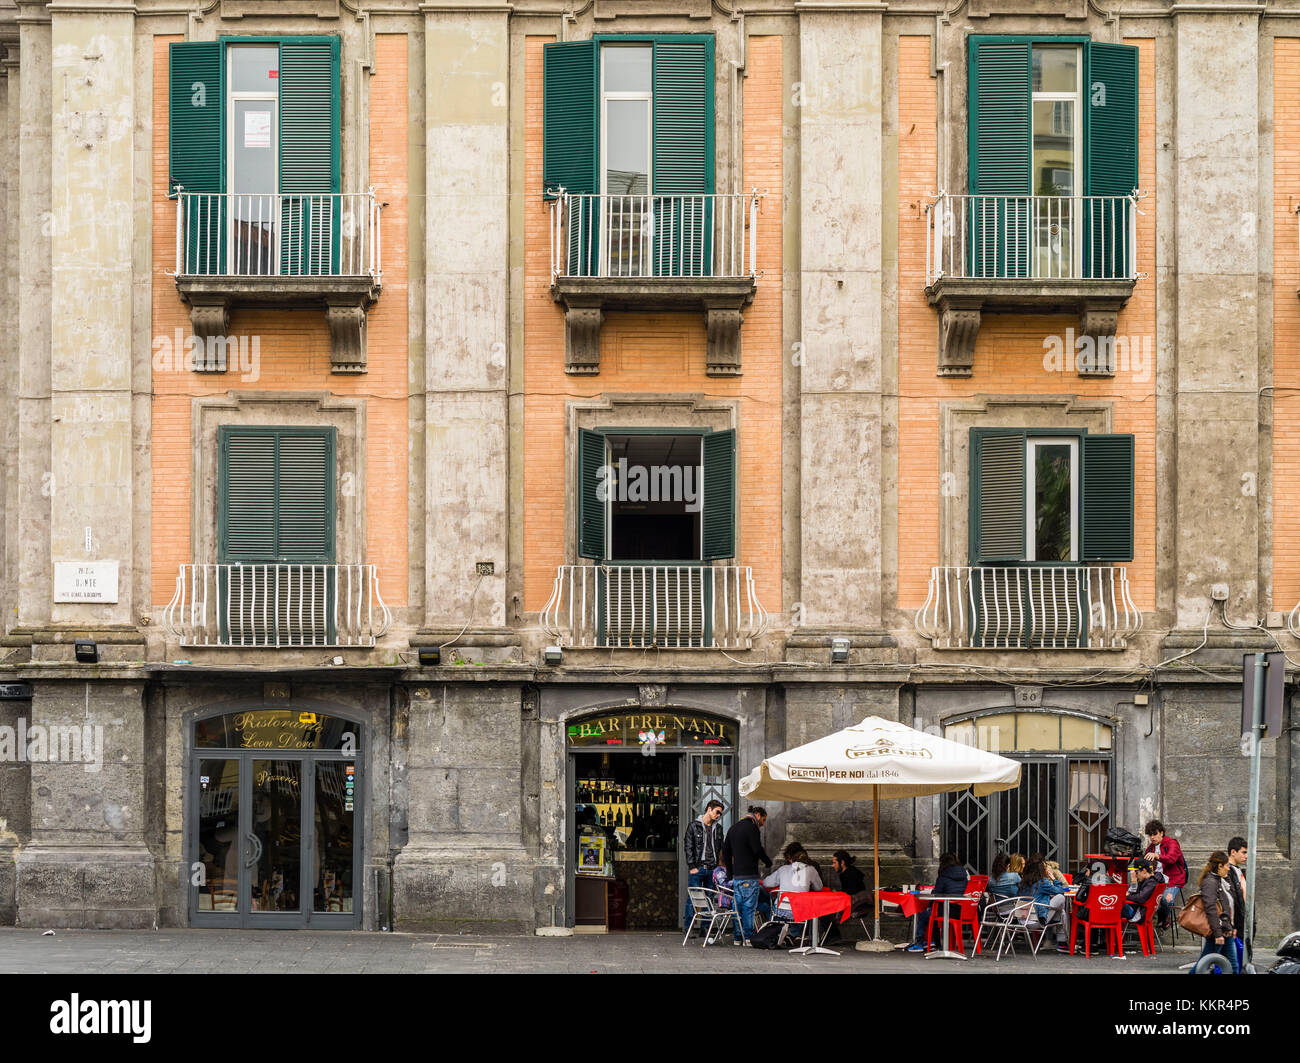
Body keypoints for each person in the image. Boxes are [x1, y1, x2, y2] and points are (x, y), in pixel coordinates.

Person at [721, 805, 773, 945]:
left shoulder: (733, 828)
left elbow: (725, 852)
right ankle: (749, 937)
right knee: (749, 907)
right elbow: (757, 849)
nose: (763, 823)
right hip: (750, 875)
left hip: (737, 876)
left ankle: (738, 938)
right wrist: (768, 862)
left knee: (737, 907)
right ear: (757, 815)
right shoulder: (752, 828)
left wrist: (731, 873)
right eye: (763, 819)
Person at [907, 852, 969, 953]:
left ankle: (921, 942)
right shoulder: (964, 874)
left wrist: (930, 902)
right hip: (962, 910)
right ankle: (934, 942)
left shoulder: (944, 876)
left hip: (947, 911)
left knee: (924, 914)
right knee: (933, 912)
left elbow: (936, 894)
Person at [1190, 851, 1238, 974]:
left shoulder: (1221, 880)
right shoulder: (1210, 882)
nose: (1229, 868)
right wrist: (1217, 934)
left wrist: (1231, 928)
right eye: (1227, 866)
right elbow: (1211, 909)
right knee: (1201, 967)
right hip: (1218, 932)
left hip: (1226, 930)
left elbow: (1229, 905)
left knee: (1232, 967)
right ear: (1219, 866)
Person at [764, 843, 824, 936]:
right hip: (800, 911)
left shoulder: (783, 869)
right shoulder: (811, 869)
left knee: (769, 904)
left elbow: (766, 883)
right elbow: (819, 888)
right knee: (809, 909)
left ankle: (779, 932)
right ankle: (794, 935)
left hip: (780, 910)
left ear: (791, 859)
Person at [683, 799, 725, 929]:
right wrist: (692, 867)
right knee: (693, 900)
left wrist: (719, 867)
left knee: (709, 900)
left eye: (720, 814)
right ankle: (689, 928)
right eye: (717, 812)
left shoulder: (718, 828)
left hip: (712, 869)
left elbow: (720, 849)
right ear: (709, 809)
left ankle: (705, 929)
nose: (718, 815)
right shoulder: (693, 826)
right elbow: (688, 847)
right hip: (698, 868)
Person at [1022, 854, 1072, 953]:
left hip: (1022, 920)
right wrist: (1053, 878)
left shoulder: (1022, 882)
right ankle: (1062, 943)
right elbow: (1062, 890)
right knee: (1060, 899)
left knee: (1059, 912)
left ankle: (1052, 942)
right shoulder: (1043, 883)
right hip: (1037, 921)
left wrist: (1047, 896)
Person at [1143, 819, 1187, 930]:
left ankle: (1164, 916)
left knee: (1166, 900)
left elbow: (1171, 859)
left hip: (1173, 880)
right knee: (1143, 896)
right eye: (1150, 835)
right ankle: (1149, 919)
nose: (1152, 837)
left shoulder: (1172, 843)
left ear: (1161, 833)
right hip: (1156, 881)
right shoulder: (1150, 848)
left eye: (1155, 834)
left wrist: (1157, 856)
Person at [824, 850, 869, 943]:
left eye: (834, 863)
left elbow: (852, 891)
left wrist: (838, 893)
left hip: (857, 905)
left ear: (842, 862)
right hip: (853, 902)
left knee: (825, 912)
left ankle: (833, 936)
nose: (833, 865)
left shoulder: (850, 873)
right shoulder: (848, 872)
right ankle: (832, 936)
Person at [1226, 836, 1248, 972]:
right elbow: (1229, 900)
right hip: (1235, 925)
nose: (1246, 856)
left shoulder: (1239, 871)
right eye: (1243, 852)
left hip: (1241, 923)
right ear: (1233, 852)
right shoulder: (1227, 871)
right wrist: (1231, 924)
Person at [1122, 857, 1160, 923]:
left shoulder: (1151, 883)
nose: (1135, 875)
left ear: (1144, 871)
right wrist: (1134, 882)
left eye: (1136, 872)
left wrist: (1124, 897)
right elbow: (1135, 894)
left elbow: (1140, 898)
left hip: (1137, 913)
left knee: (1111, 907)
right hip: (1137, 910)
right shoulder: (1147, 881)